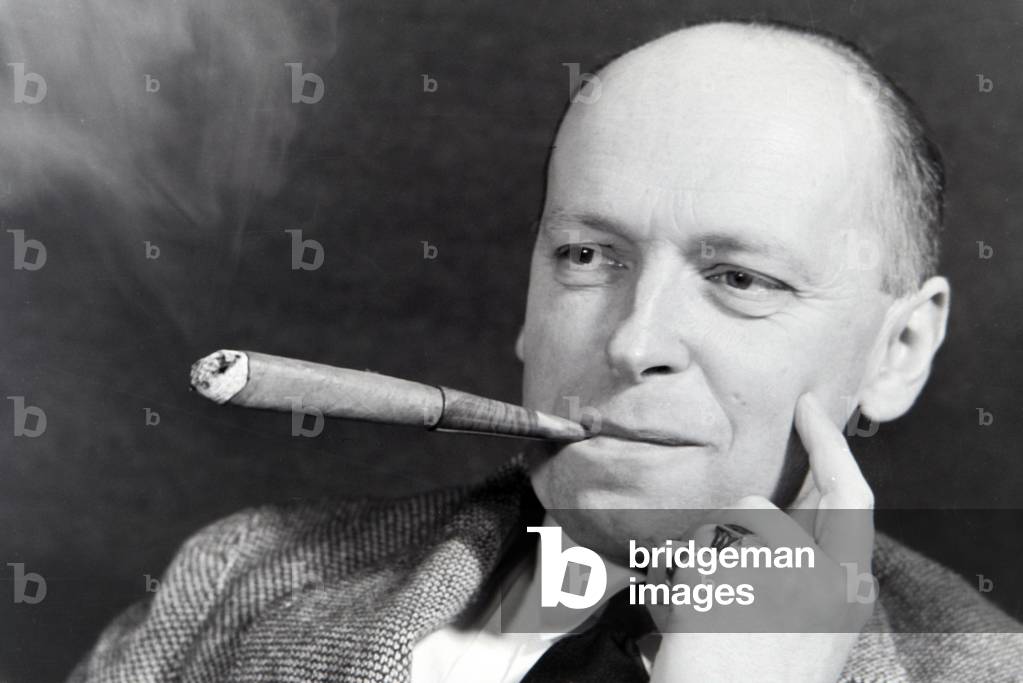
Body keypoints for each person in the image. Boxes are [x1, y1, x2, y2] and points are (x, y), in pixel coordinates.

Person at [69, 19, 1022, 683]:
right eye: (586, 257)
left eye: (739, 278)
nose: (632, 339)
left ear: (898, 350)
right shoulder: (238, 583)